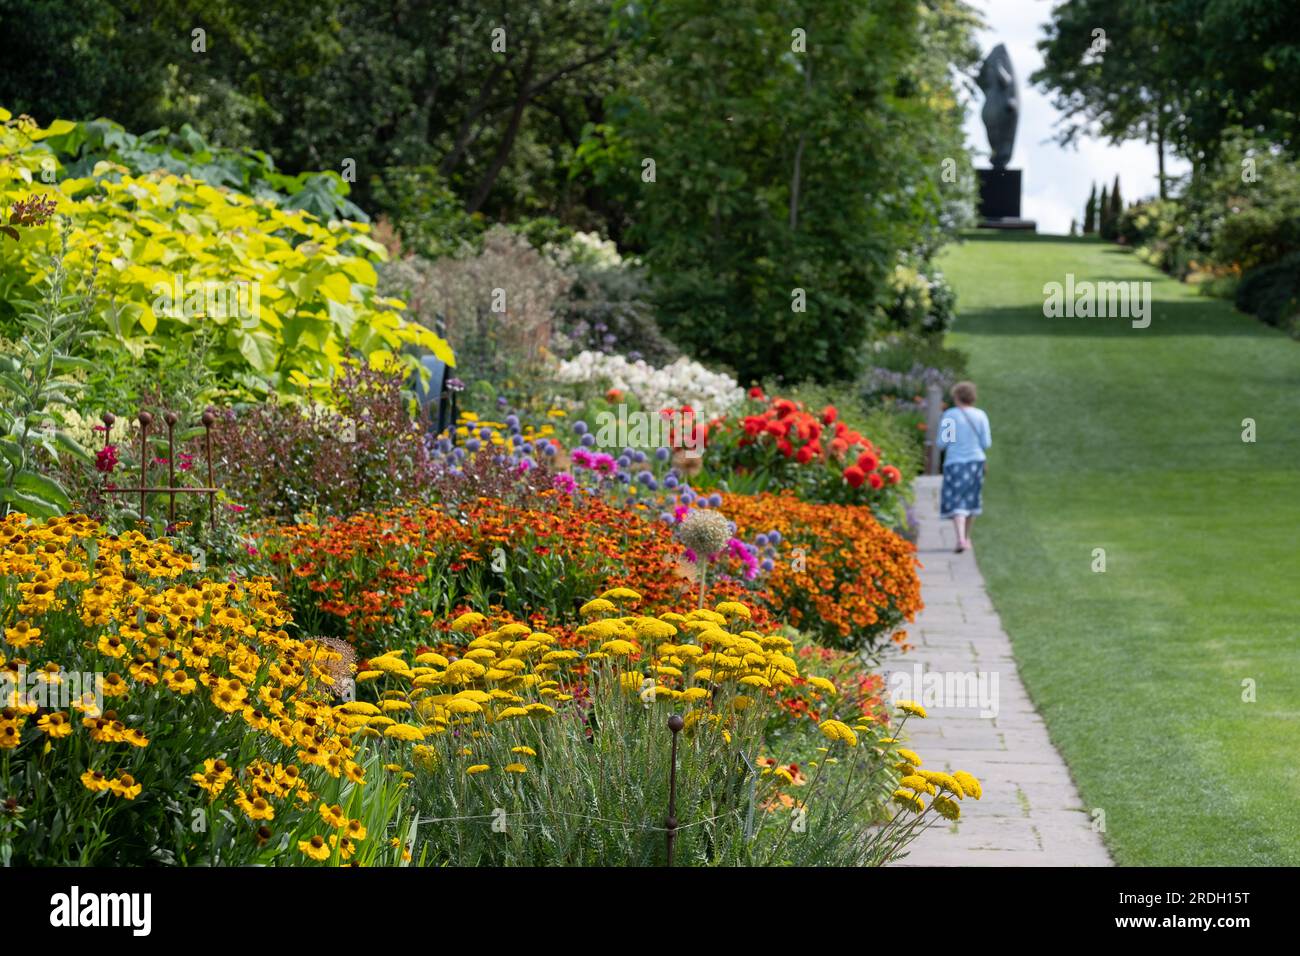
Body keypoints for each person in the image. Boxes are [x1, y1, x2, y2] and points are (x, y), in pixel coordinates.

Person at [938, 381, 991, 553]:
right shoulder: (980, 415)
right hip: (976, 462)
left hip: (955, 462)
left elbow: (943, 442)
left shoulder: (950, 416)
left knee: (957, 502)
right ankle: (967, 538)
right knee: (971, 501)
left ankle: (960, 538)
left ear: (956, 397)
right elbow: (986, 442)